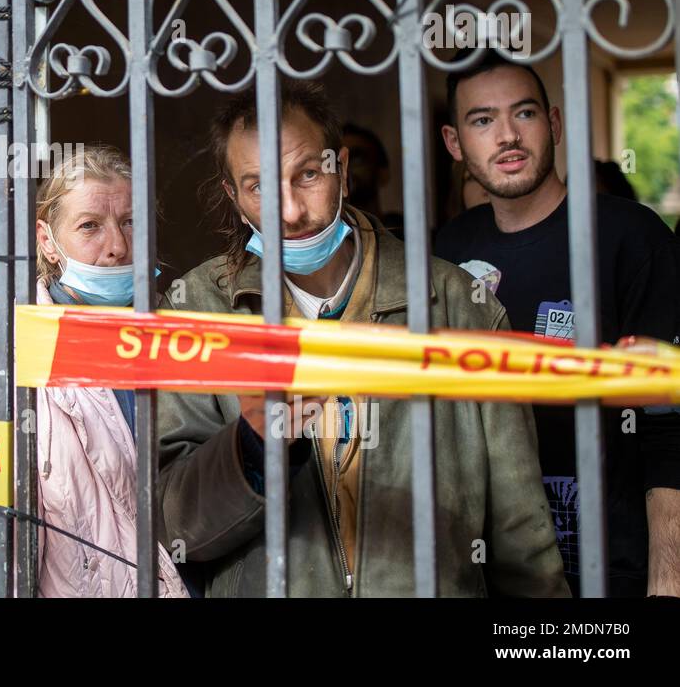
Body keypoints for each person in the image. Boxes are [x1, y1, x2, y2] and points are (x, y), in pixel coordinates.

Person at [157, 77, 567, 597]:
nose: (289, 212)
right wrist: (251, 451)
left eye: (307, 174)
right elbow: (174, 529)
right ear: (235, 198)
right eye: (259, 186)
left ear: (342, 171)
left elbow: (521, 536)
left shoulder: (457, 303)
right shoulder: (196, 310)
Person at [435, 51, 680, 597]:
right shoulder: (449, 249)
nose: (506, 137)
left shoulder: (629, 236)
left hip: (615, 568)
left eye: (523, 114)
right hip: (496, 571)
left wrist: (668, 581)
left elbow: (669, 420)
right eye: (482, 120)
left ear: (555, 123)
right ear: (455, 143)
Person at [0, 145, 186, 597]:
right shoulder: (3, 376)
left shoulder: (182, 352)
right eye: (90, 226)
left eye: (130, 222)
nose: (116, 247)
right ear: (47, 242)